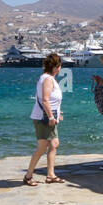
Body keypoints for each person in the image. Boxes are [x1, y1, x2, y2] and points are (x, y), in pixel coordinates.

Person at [25, 53, 66, 185]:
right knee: (43, 147)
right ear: (56, 67)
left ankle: (50, 175)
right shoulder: (48, 79)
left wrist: (57, 113)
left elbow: (49, 101)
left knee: (53, 144)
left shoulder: (46, 78)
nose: (60, 69)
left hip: (47, 116)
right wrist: (50, 116)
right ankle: (29, 175)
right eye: (59, 66)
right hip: (44, 118)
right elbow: (45, 100)